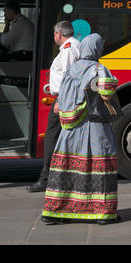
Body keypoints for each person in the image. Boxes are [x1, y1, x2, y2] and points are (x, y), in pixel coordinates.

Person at [41, 34, 121, 224]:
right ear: (97, 49)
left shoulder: (71, 69)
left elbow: (60, 102)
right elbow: (107, 92)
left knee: (67, 165)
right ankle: (101, 213)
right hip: (94, 126)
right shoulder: (98, 69)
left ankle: (56, 211)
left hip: (70, 130)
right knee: (99, 164)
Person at [28, 21, 81, 192]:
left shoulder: (69, 48)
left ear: (59, 34)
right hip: (65, 98)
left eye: (54, 34)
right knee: (60, 136)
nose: (54, 37)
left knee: (52, 136)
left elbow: (69, 75)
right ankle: (56, 176)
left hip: (64, 99)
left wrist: (60, 99)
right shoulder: (70, 46)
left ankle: (47, 177)